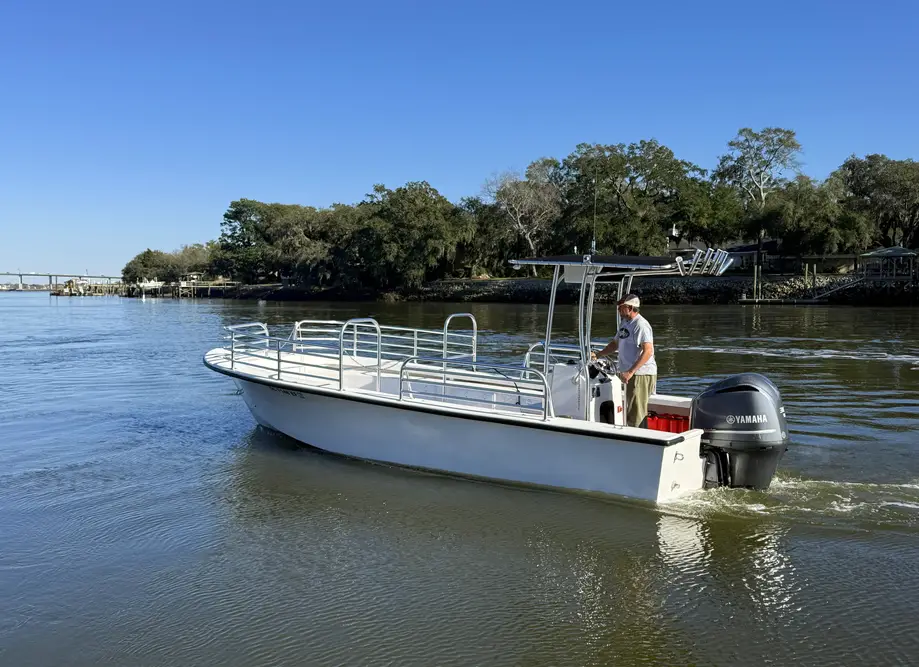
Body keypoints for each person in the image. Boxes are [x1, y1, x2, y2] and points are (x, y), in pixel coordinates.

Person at [592, 294, 657, 427]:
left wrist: (631, 372)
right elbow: (615, 344)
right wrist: (598, 355)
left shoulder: (641, 325)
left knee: (636, 413)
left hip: (640, 374)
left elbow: (648, 351)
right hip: (628, 373)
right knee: (630, 410)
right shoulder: (625, 323)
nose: (618, 310)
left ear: (631, 308)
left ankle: (640, 441)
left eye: (621, 307)